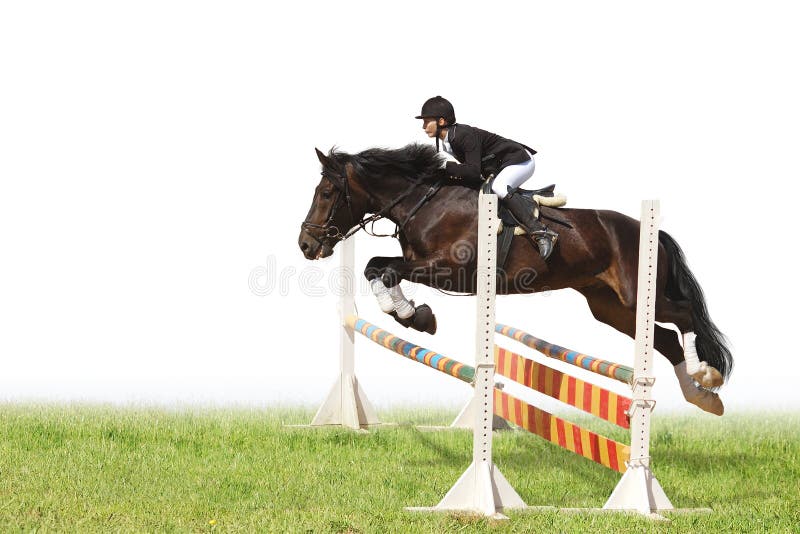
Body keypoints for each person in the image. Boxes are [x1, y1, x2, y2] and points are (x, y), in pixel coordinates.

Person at [415, 96, 558, 260]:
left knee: (500, 187)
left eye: (427, 121)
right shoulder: (448, 141)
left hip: (519, 161)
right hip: (499, 165)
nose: (424, 126)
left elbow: (473, 172)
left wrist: (444, 167)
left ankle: (541, 232)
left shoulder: (463, 135)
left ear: (441, 121)